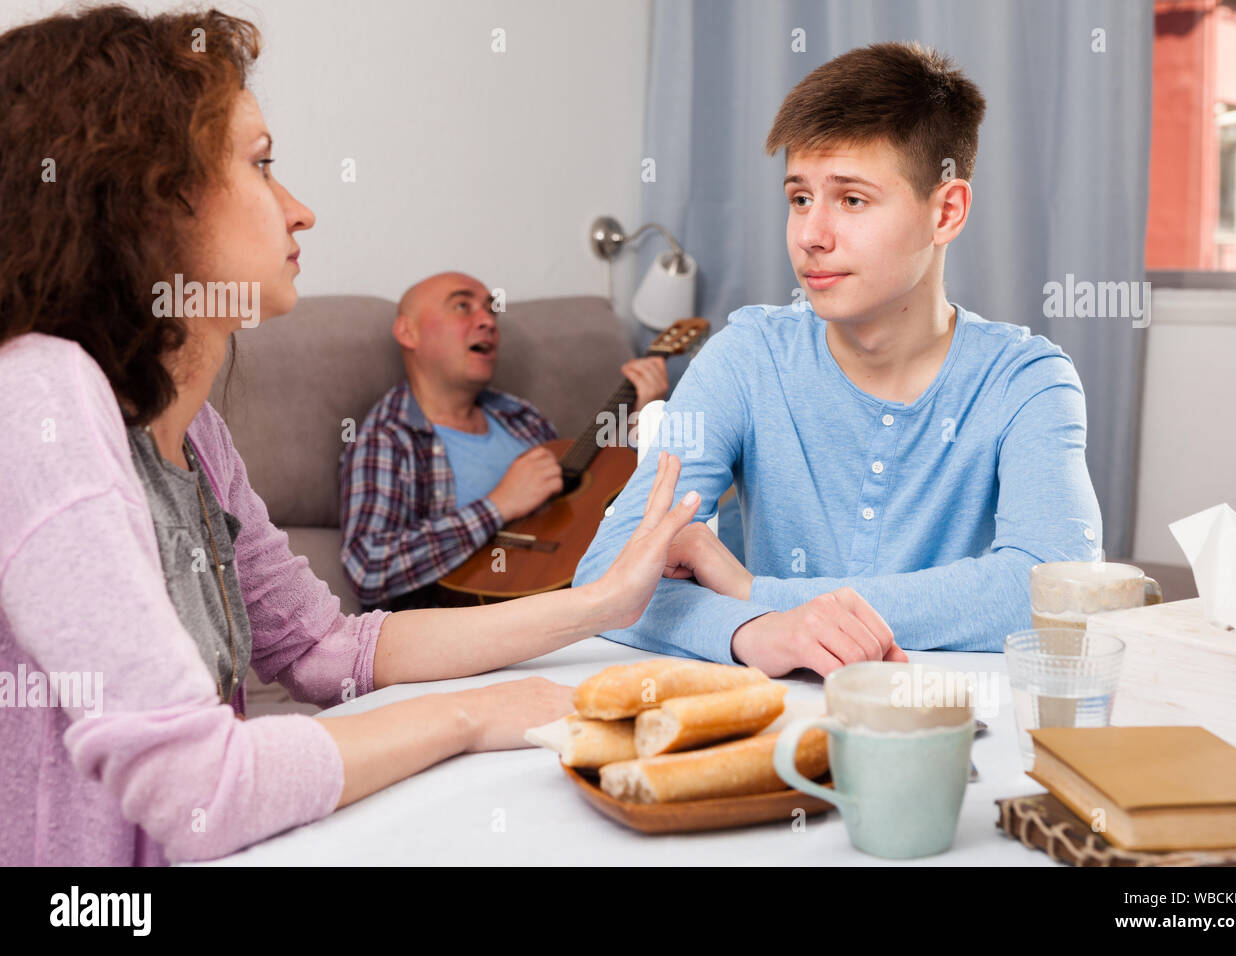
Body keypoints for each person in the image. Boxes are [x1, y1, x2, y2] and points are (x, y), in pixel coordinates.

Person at [0, 5, 700, 866]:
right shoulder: (35, 393)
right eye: (262, 167)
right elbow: (199, 789)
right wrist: (472, 715)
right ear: (146, 199)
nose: (301, 212)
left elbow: (326, 648)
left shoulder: (199, 437)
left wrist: (600, 603)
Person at [573, 42, 1103, 676]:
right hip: (770, 714)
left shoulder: (1027, 381)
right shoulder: (749, 356)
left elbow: (1052, 593)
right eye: (800, 198)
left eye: (851, 200)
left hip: (943, 726)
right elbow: (607, 576)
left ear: (947, 211)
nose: (809, 236)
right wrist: (753, 632)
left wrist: (756, 595)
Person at [338, 272, 668, 610]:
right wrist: (498, 505)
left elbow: (586, 508)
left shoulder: (521, 416)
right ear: (408, 332)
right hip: (472, 626)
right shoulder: (387, 438)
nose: (488, 321)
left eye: (491, 311)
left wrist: (643, 419)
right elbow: (368, 569)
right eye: (463, 306)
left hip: (583, 592)